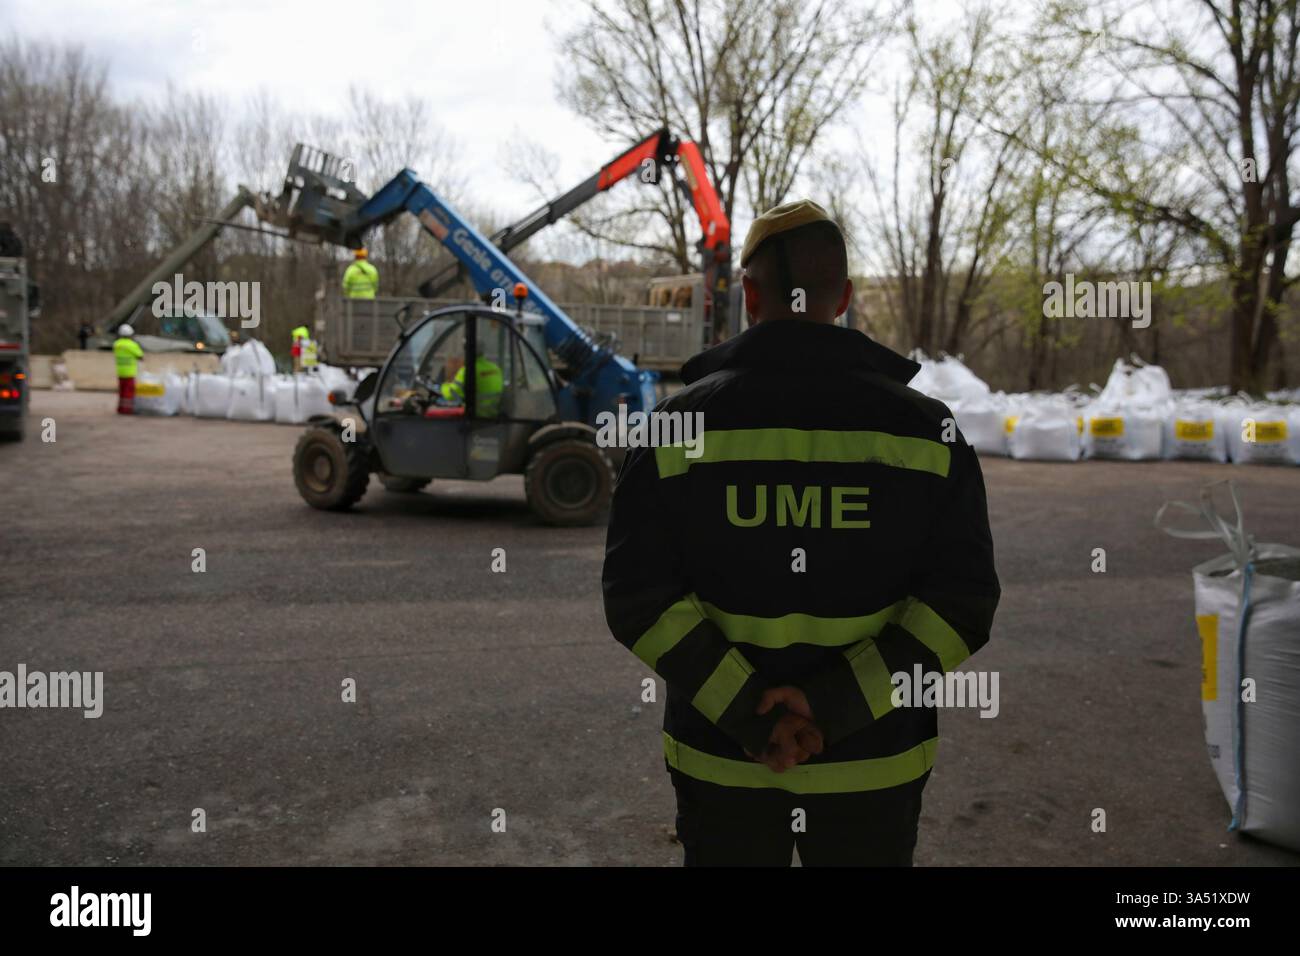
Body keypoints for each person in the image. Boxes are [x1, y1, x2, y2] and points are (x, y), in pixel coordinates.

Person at [601, 199, 1000, 866]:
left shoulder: (675, 430)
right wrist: (833, 704)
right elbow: (961, 606)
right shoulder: (929, 433)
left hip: (726, 768)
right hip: (872, 770)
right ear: (843, 296)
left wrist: (753, 719)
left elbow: (639, 600)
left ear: (749, 297)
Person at [438, 346, 503, 417]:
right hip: (494, 414)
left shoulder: (467, 370)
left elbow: (452, 394)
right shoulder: (495, 368)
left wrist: (442, 387)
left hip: (477, 416)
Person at [112, 324, 144, 415]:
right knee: (128, 392)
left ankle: (120, 408)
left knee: (121, 392)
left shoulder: (116, 344)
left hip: (120, 371)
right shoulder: (132, 345)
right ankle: (127, 409)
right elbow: (140, 356)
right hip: (130, 372)